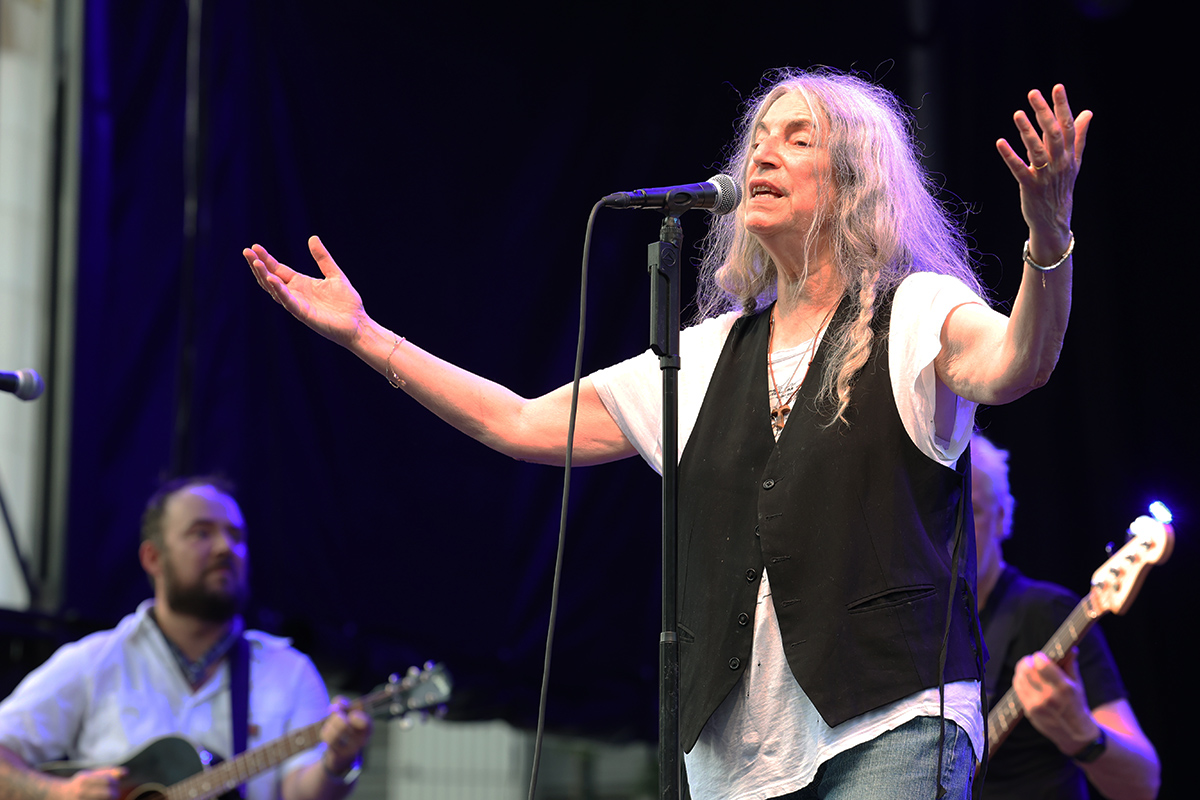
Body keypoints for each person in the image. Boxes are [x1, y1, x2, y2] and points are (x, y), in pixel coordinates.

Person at [244, 68, 1090, 799]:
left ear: (856, 178)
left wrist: (1047, 238)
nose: (763, 153)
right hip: (735, 758)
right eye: (759, 138)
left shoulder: (914, 310)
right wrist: (366, 337)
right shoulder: (704, 358)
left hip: (891, 726)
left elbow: (1018, 362)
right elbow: (522, 421)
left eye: (799, 139)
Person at [0, 477, 373, 800]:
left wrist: (337, 762)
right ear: (153, 559)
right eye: (202, 533)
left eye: (236, 535)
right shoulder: (93, 661)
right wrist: (58, 793)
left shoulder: (290, 672)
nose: (227, 548)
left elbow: (299, 792)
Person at [972, 436, 1160, 799]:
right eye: (943, 516)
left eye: (972, 511)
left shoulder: (1045, 612)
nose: (956, 531)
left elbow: (1143, 781)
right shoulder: (917, 630)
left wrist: (1081, 733)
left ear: (1001, 517)